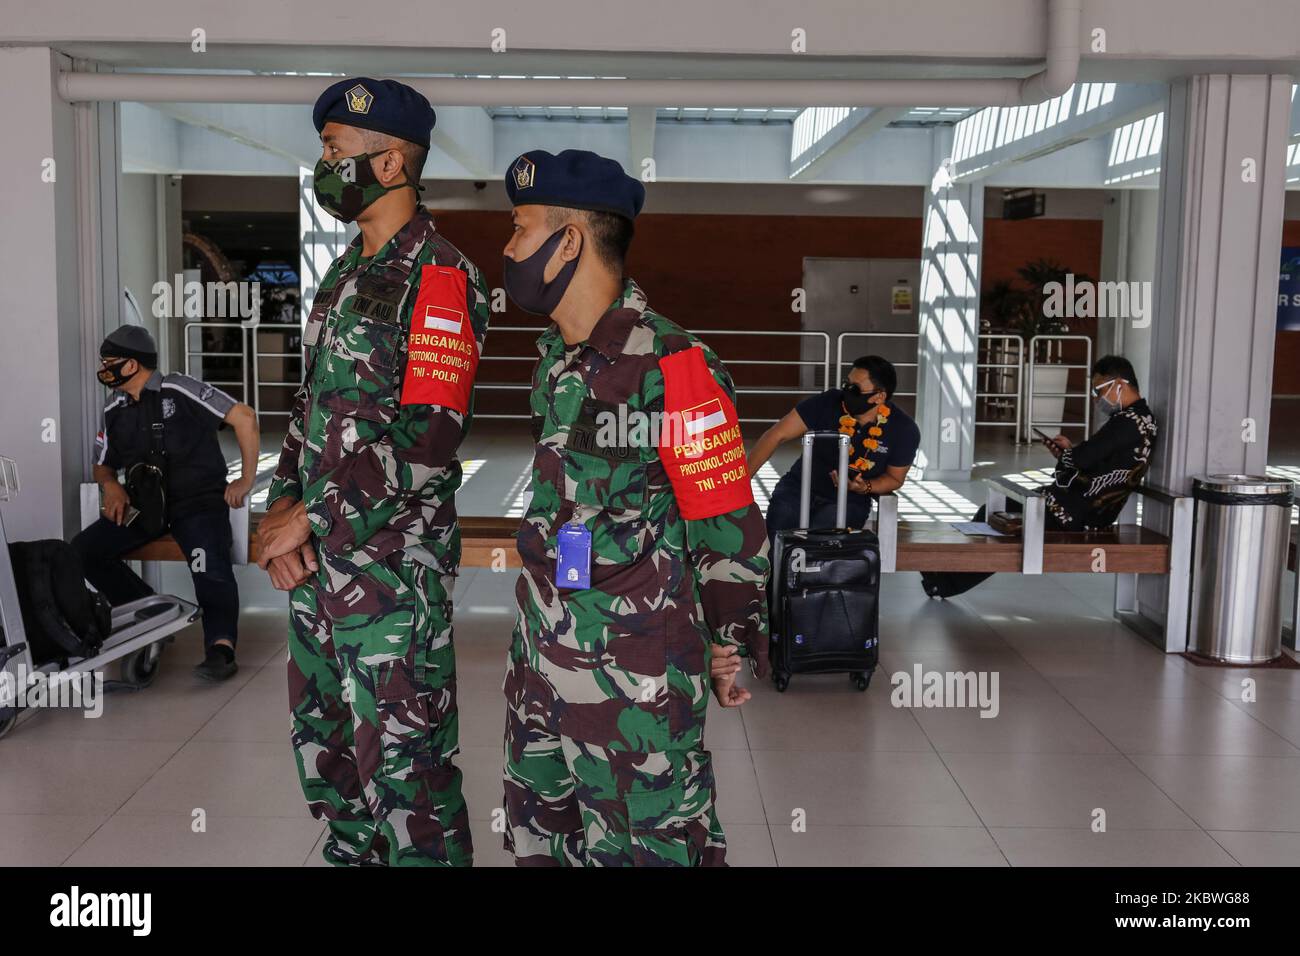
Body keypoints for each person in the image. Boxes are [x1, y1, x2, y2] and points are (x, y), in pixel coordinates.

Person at [499, 148, 769, 867]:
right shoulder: (554, 361)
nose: (507, 247)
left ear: (569, 241)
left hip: (635, 676)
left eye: (520, 228)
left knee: (647, 850)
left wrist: (728, 638)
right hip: (539, 659)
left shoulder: (676, 365)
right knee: (540, 843)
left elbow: (726, 521)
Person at [258, 78, 489, 867]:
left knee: (408, 778)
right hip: (323, 572)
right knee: (329, 760)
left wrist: (313, 518)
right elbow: (308, 409)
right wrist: (280, 506)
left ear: (390, 161)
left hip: (395, 574)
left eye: (334, 151)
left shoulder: (442, 278)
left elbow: (428, 439)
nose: (323, 166)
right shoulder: (345, 272)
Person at [72, 324, 258, 681]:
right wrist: (110, 485)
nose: (103, 367)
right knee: (83, 551)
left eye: (110, 361)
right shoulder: (115, 408)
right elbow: (101, 464)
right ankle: (154, 615)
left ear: (132, 365)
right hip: (145, 506)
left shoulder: (178, 388)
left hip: (198, 502)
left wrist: (246, 479)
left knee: (208, 566)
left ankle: (221, 648)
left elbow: (244, 418)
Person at [920, 354, 1158, 598]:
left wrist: (1068, 454)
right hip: (1087, 506)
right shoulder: (1141, 419)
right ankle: (944, 577)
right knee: (995, 516)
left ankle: (945, 582)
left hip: (1076, 511)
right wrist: (1069, 453)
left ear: (1119, 384)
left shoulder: (1127, 422)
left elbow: (1081, 459)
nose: (1097, 399)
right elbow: (1093, 458)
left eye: (1099, 391)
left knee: (996, 520)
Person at [749, 354, 920, 542]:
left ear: (879, 396)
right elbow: (775, 435)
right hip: (799, 487)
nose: (846, 391)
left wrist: (865, 487)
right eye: (846, 384)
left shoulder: (903, 430)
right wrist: (741, 482)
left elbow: (895, 478)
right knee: (780, 529)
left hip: (850, 500)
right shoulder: (828, 402)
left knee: (822, 542)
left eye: (855, 389)